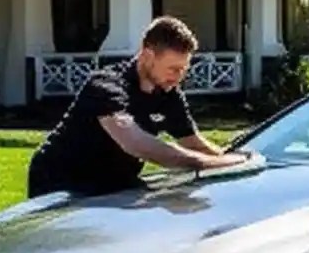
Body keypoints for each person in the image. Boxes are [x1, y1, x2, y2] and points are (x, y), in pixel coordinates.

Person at [26, 15, 248, 199]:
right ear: (148, 55)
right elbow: (137, 144)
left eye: (183, 70)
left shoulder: (168, 93)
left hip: (115, 182)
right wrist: (208, 163)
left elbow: (192, 141)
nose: (179, 77)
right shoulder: (106, 85)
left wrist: (238, 160)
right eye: (173, 69)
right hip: (61, 182)